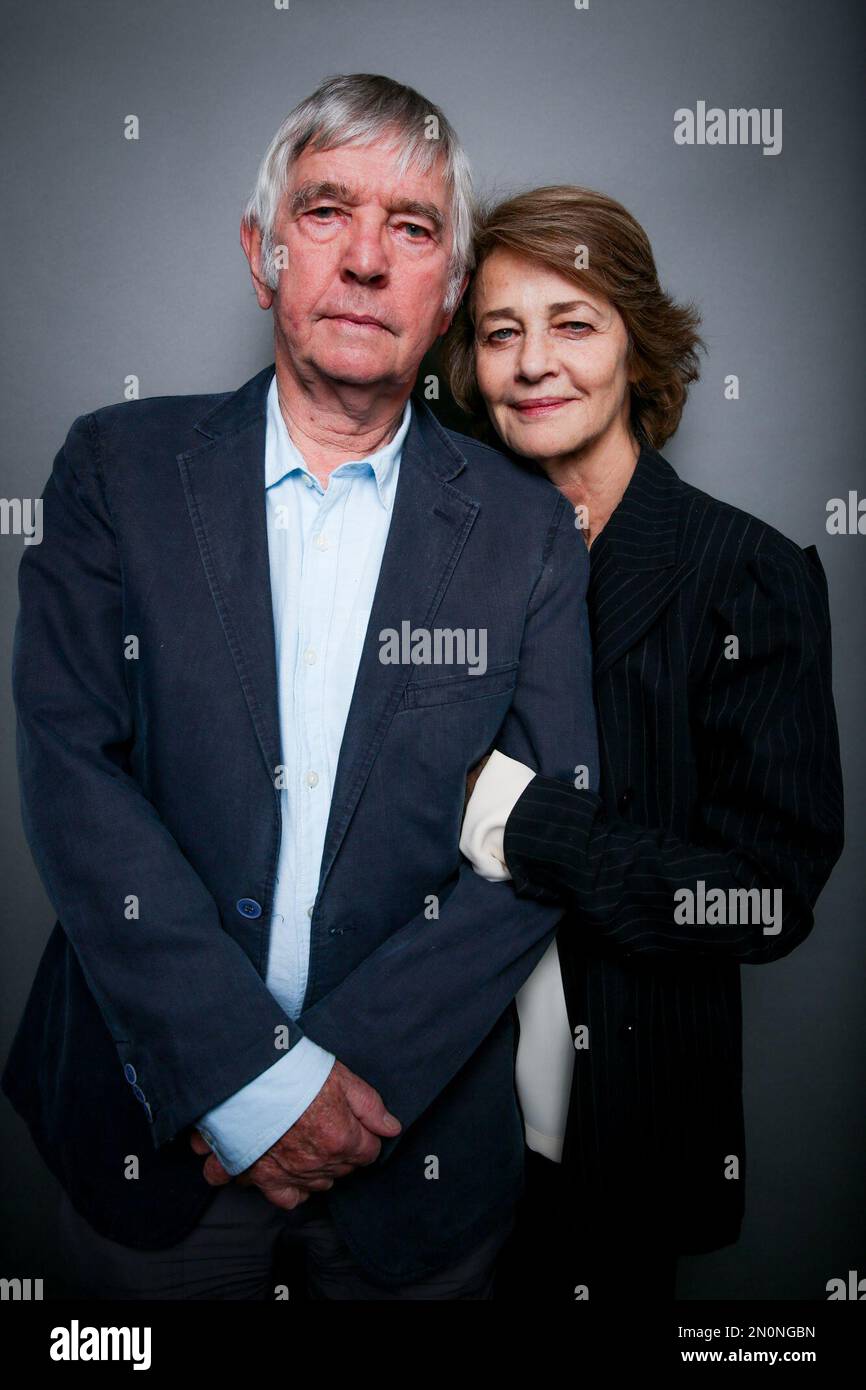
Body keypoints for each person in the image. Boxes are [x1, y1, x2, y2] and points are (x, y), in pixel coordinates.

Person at [2, 79, 597, 1300]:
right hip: (149, 1143)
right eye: (326, 210)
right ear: (260, 253)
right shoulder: (116, 470)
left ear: (446, 292)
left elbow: (547, 833)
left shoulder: (527, 536)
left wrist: (335, 1091)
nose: (368, 261)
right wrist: (245, 1083)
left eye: (415, 228)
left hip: (411, 1155)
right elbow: (73, 771)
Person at [449, 185, 845, 1301]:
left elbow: (765, 896)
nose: (533, 362)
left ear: (638, 344)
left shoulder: (744, 574)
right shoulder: (439, 559)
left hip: (615, 1137)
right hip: (422, 1120)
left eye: (572, 323)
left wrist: (522, 823)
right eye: (498, 331)